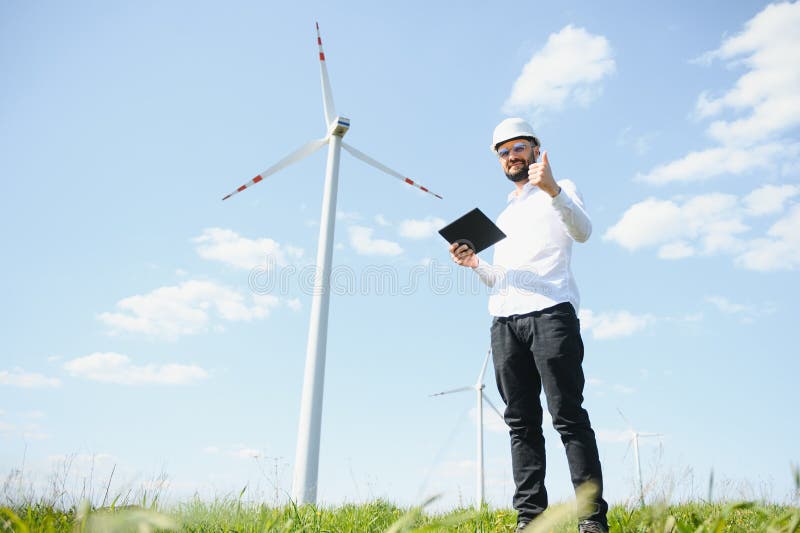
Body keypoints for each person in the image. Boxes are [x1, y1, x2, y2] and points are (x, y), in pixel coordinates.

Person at [449, 118, 609, 533]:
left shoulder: (562, 189)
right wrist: (475, 264)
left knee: (568, 416)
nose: (510, 157)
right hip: (504, 321)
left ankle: (591, 519)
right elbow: (503, 277)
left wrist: (552, 189)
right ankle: (530, 519)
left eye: (517, 148)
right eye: (503, 152)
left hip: (550, 314)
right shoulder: (504, 213)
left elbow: (584, 232)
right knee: (520, 424)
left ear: (536, 149)